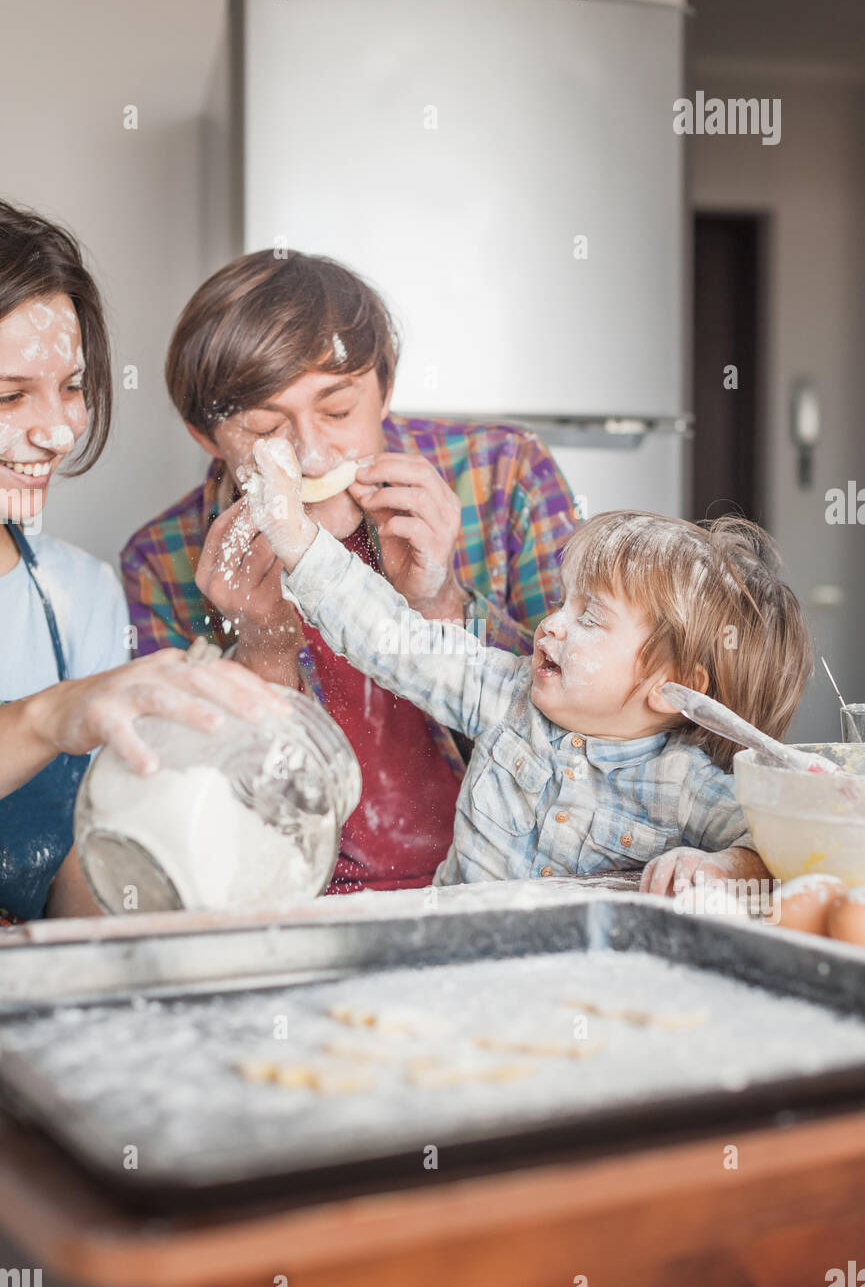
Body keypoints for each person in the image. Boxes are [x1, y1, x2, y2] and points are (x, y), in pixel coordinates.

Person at [121, 250, 580, 894]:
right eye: (263, 428)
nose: (310, 456)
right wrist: (264, 653)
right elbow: (186, 839)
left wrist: (440, 602)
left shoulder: (506, 476)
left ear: (385, 389)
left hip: (503, 889)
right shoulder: (160, 562)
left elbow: (598, 734)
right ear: (206, 436)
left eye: (337, 412)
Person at [247, 433, 813, 895]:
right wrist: (297, 539)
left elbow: (787, 845)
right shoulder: (503, 695)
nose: (551, 625)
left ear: (672, 689)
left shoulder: (683, 784)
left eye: (588, 618)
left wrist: (722, 868)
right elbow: (396, 640)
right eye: (562, 602)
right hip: (457, 967)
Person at [0, 201, 292, 923]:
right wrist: (46, 719)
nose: (61, 430)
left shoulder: (81, 595)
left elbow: (74, 878)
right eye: (9, 395)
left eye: (72, 387)